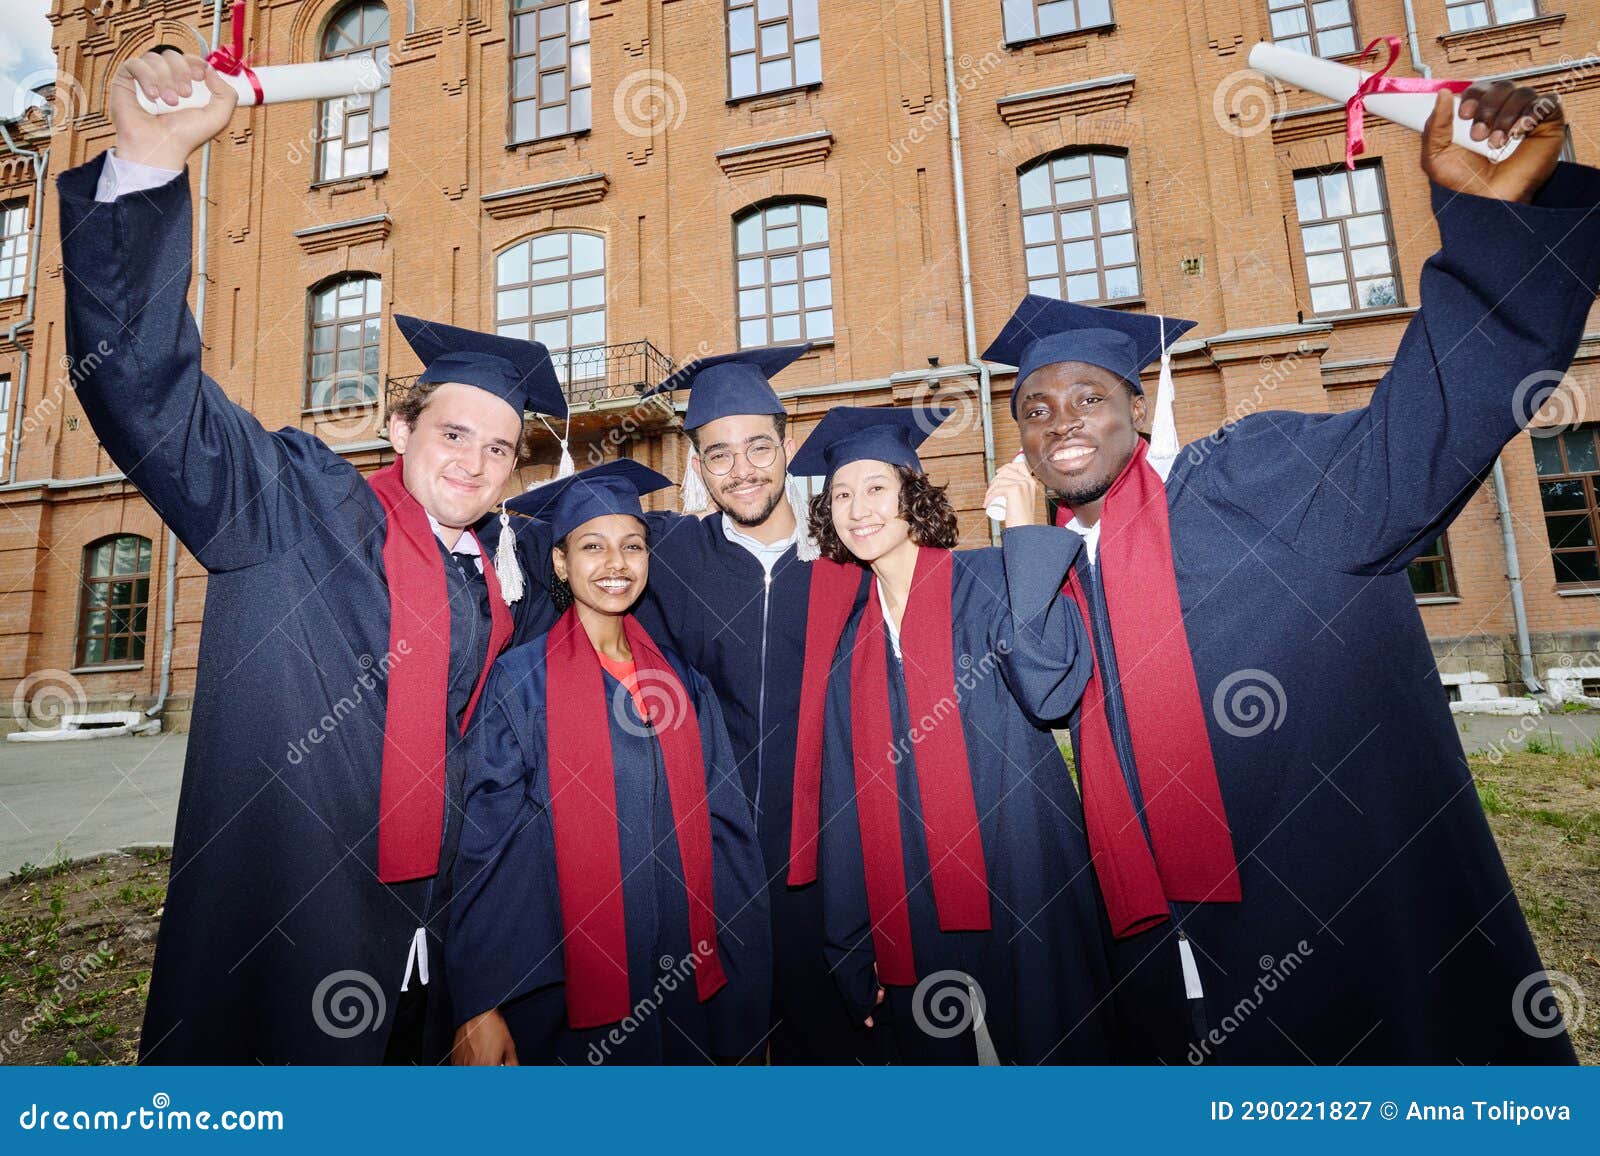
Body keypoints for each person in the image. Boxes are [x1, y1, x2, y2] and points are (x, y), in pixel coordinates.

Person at [976, 82, 1598, 1063]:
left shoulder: (1254, 478)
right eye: (1036, 409)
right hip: (1165, 958)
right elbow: (1048, 690)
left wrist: (1491, 222)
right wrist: (1022, 537)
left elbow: (1426, 428)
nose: (1060, 424)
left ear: (1135, 412)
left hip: (1335, 935)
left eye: (1087, 397)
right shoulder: (1066, 564)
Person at [57, 49, 566, 1063]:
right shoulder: (288, 504)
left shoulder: (510, 579)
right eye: (453, 432)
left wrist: (483, 982)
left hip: (440, 953)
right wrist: (151, 164)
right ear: (398, 425)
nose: (474, 461)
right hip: (292, 939)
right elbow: (150, 391)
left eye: (500, 447)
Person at [520, 347, 883, 1062]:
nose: (742, 469)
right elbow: (556, 554)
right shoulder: (668, 556)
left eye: (757, 447)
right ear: (696, 466)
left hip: (831, 874)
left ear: (787, 444)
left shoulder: (851, 566)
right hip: (704, 873)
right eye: (718, 455)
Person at [797, 405, 1116, 1064]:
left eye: (877, 487)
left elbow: (1052, 685)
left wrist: (1028, 539)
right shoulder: (848, 650)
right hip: (910, 909)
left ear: (914, 491)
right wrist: (852, 942)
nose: (858, 508)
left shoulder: (988, 582)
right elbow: (844, 811)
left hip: (1026, 881)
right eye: (843, 495)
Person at [447, 462, 771, 1064]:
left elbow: (727, 833)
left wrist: (746, 975)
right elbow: (483, 848)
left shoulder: (684, 686)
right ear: (561, 564)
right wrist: (479, 1001)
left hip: (682, 982)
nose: (616, 564)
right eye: (592, 547)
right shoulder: (519, 684)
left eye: (632, 546)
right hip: (559, 985)